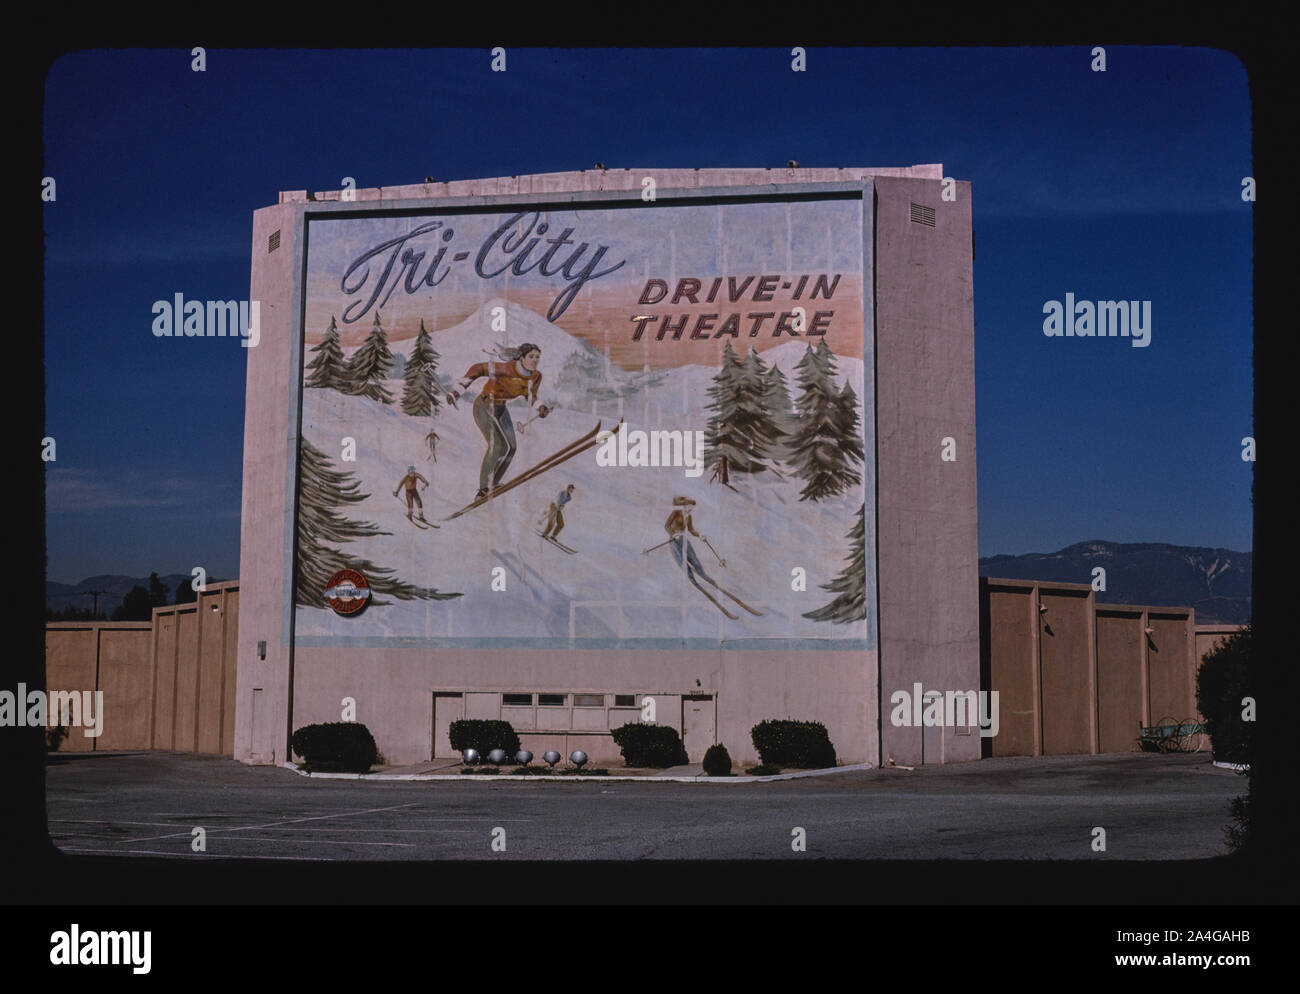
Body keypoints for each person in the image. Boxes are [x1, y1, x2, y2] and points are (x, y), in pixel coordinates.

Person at [447, 343, 549, 500]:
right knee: (498, 446)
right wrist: (457, 391)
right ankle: (482, 490)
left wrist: (540, 407)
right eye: (531, 357)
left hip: (501, 409)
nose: (535, 360)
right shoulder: (506, 369)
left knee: (512, 447)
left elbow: (530, 395)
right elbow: (478, 369)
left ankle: (493, 483)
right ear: (521, 358)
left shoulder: (536, 376)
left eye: (537, 357)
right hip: (484, 406)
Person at [663, 495, 716, 584]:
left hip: (683, 539)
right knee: (682, 561)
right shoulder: (675, 513)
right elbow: (667, 526)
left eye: (692, 507)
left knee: (694, 559)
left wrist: (700, 535)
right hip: (674, 541)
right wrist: (673, 534)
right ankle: (692, 579)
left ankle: (704, 575)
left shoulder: (688, 516)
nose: (690, 509)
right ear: (684, 505)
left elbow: (691, 529)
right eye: (689, 506)